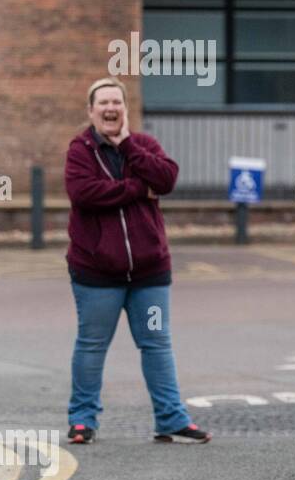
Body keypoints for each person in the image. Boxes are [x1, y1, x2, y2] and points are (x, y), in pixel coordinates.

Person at [64, 77, 209, 445]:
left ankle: (171, 419)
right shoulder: (80, 150)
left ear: (125, 110)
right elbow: (84, 194)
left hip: (149, 273)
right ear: (90, 111)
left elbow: (166, 178)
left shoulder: (143, 145)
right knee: (92, 345)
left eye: (117, 102)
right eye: (103, 103)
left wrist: (128, 146)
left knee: (157, 344)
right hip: (97, 273)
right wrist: (135, 190)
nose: (110, 109)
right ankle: (82, 420)